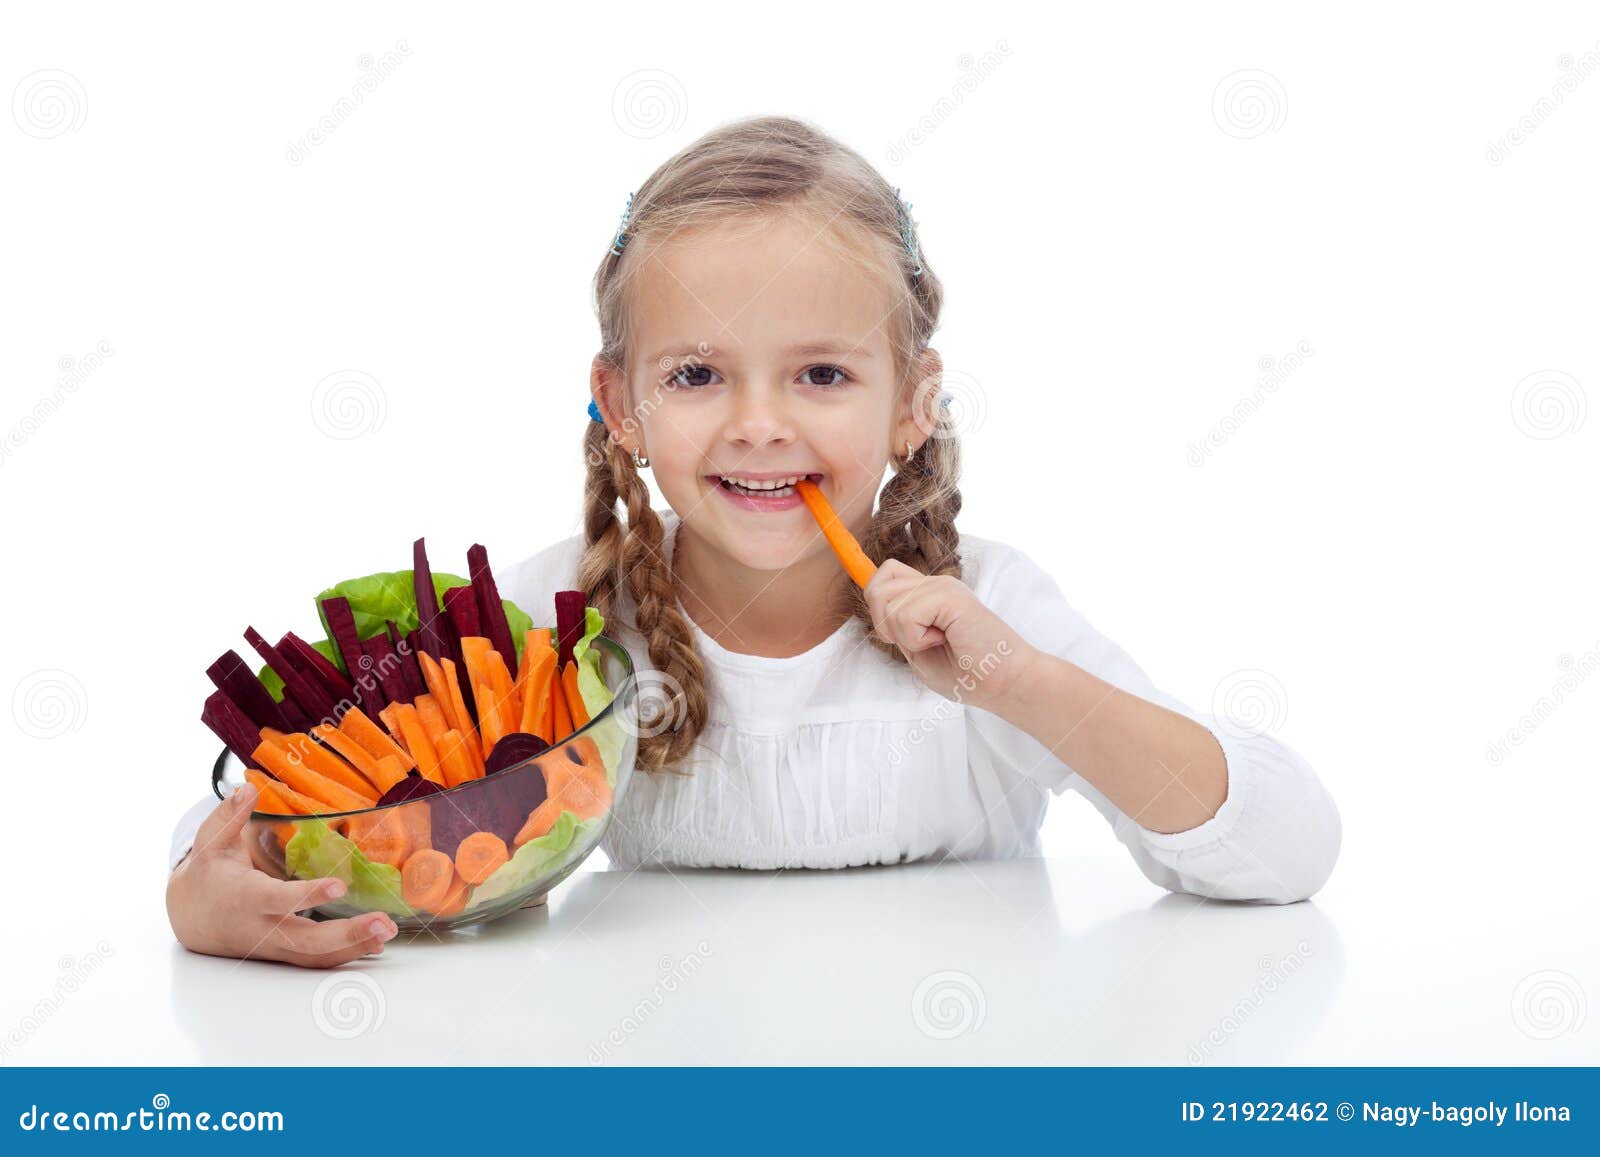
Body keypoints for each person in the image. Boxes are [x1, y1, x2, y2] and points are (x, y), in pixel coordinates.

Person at [167, 115, 1341, 968]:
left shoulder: (992, 608)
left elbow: (1284, 850)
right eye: (696, 374)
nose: (761, 423)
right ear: (620, 405)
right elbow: (263, 817)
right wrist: (203, 896)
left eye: (822, 372)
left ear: (909, 401)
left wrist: (1018, 681)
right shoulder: (543, 629)